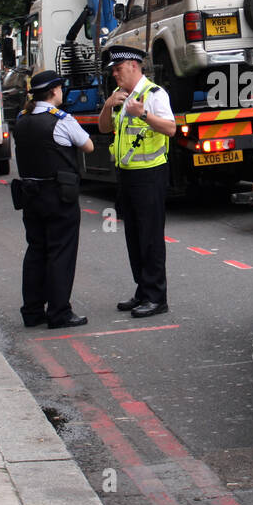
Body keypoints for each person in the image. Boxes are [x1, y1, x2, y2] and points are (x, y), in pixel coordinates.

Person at [98, 45, 176, 318]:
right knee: (133, 236)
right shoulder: (120, 96)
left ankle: (157, 297)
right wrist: (109, 105)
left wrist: (142, 113)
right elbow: (104, 128)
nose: (115, 75)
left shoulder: (154, 94)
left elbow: (171, 128)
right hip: (127, 174)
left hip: (150, 174)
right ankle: (143, 290)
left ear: (133, 65)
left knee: (150, 237)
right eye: (114, 71)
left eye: (118, 69)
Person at [14, 70, 92, 329]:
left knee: (36, 251)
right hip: (59, 196)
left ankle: (32, 311)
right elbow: (88, 145)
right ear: (55, 91)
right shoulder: (61, 120)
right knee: (61, 252)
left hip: (30, 195)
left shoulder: (22, 119)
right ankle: (59, 312)